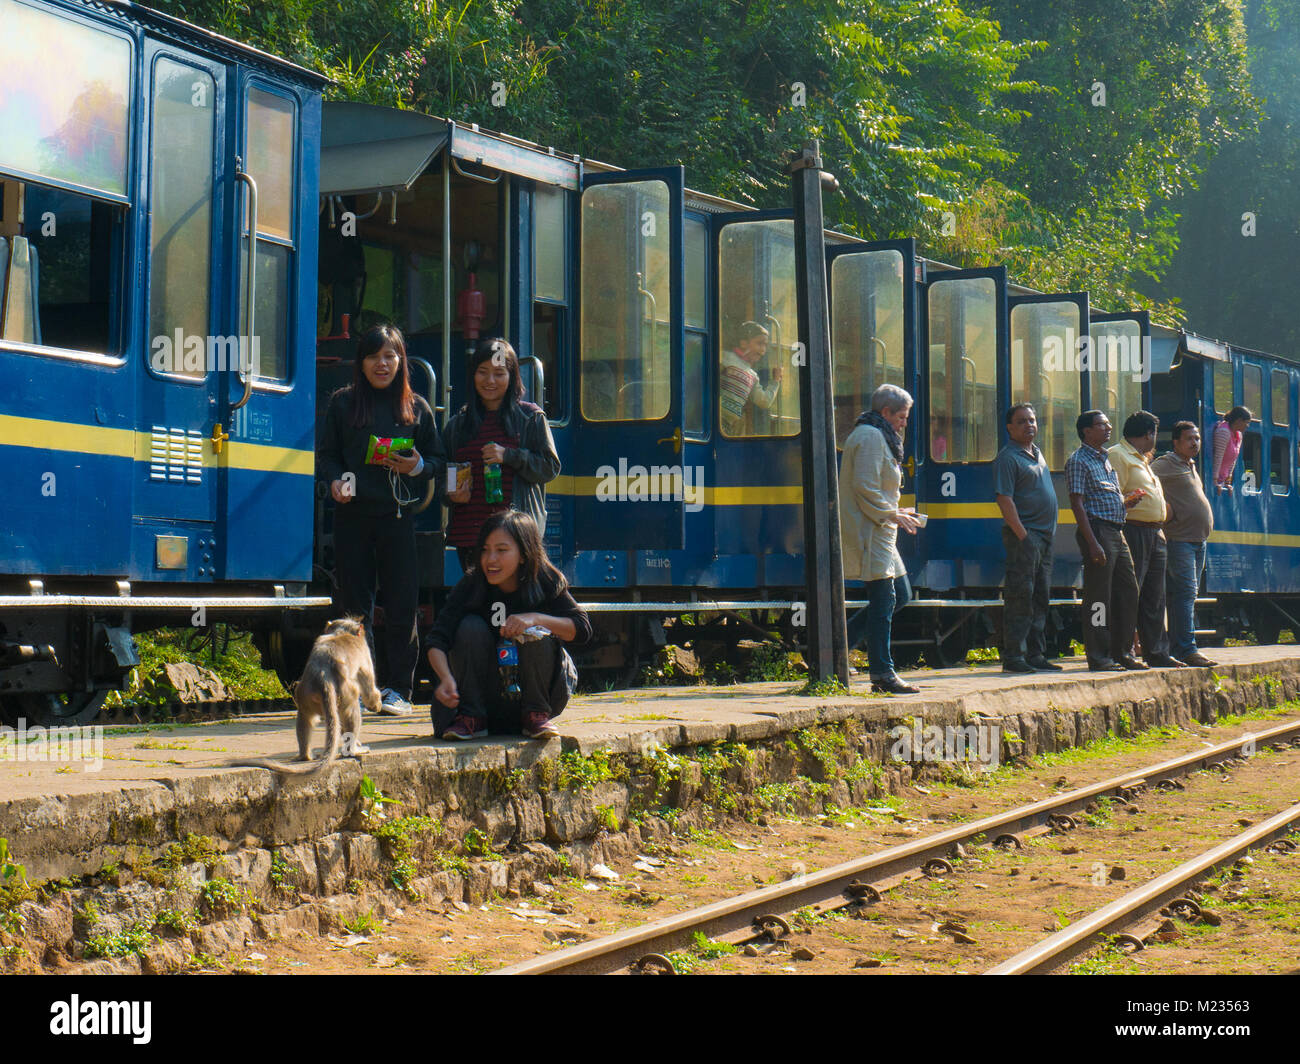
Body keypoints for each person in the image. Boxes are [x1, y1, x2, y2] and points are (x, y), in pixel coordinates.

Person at [318, 324, 444, 716]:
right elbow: (327, 456)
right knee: (354, 608)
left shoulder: (416, 408)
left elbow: (437, 461)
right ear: (362, 363)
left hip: (397, 516)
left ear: (401, 361)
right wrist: (336, 480)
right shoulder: (342, 404)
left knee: (402, 603)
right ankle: (360, 689)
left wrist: (416, 465)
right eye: (374, 356)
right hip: (352, 516)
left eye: (390, 356)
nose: (382, 364)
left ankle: (400, 691)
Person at [426, 511, 591, 741]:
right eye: (485, 550)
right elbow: (436, 640)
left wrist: (535, 618)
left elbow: (582, 628)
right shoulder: (472, 584)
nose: (491, 559)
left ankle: (535, 715)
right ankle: (472, 718)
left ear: (524, 554)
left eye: (501, 550)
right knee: (470, 626)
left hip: (528, 694)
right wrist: (446, 679)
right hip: (484, 698)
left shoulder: (544, 579)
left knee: (537, 635)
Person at [443, 338, 561, 571]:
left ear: (512, 376)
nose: (490, 381)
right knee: (479, 603)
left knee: (514, 603)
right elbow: (444, 472)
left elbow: (550, 467)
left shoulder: (531, 417)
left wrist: (509, 456)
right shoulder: (457, 424)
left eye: (499, 373)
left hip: (515, 538)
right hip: (470, 536)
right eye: (482, 372)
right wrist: (450, 493)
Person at [840, 383, 922, 694]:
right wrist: (891, 514)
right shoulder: (872, 437)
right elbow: (864, 487)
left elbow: (875, 486)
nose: (904, 423)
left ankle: (840, 642)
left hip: (881, 528)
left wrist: (896, 510)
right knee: (885, 597)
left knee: (900, 594)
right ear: (885, 413)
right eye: (901, 417)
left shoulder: (876, 434)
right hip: (871, 529)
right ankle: (882, 674)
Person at [1065, 410, 1144, 672]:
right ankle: (1098, 656)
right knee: (1099, 598)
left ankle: (1122, 652)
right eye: (1102, 425)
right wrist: (1092, 542)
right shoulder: (1079, 460)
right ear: (1087, 430)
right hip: (1097, 532)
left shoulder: (1105, 460)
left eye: (1109, 424)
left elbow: (1106, 497)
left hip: (1116, 532)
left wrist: (1126, 502)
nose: (1108, 428)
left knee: (1128, 591)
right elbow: (1077, 503)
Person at [1109, 411, 1184, 668]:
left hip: (1155, 532)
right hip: (1134, 530)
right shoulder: (1118, 455)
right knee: (1131, 593)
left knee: (1155, 595)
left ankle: (1156, 651)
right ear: (1149, 434)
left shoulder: (1142, 459)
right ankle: (1124, 651)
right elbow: (1112, 494)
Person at [993, 403, 1061, 673]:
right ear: (1010, 428)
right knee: (1021, 596)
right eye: (1022, 421)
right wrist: (1023, 536)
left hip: (1044, 537)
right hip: (1026, 536)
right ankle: (1014, 657)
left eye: (1032, 420)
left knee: (1040, 597)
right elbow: (1004, 499)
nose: (1029, 425)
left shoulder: (1036, 453)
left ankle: (1036, 654)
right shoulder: (1008, 457)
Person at [1152, 422, 1217, 667]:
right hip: (1179, 540)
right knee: (1185, 593)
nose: (1195, 443)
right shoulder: (1164, 464)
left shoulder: (1189, 465)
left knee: (1186, 594)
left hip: (1198, 540)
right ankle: (1186, 649)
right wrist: (1168, 512)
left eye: (1197, 438)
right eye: (1189, 438)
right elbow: (1147, 483)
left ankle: (1176, 646)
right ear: (1176, 442)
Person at [720, 321, 783, 434]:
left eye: (765, 345)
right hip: (714, 418)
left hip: (727, 427)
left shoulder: (752, 376)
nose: (763, 349)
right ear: (744, 343)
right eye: (759, 343)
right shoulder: (725, 358)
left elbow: (764, 401)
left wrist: (775, 381)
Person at [1211, 405, 1252, 493]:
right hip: (1214, 481)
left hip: (1222, 480)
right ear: (1239, 421)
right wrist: (1214, 482)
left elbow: (1233, 460)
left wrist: (1227, 482)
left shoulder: (1238, 435)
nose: (1248, 426)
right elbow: (1218, 457)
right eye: (1246, 422)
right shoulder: (1223, 432)